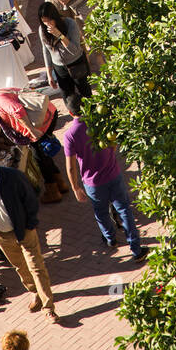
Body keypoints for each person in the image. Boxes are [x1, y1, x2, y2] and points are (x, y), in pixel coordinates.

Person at [0, 155, 60, 321]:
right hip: (1, 236)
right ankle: (34, 292)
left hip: (24, 230)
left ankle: (48, 308)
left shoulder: (12, 177)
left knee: (36, 268)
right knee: (20, 267)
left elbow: (31, 200)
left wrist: (30, 224)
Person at [63, 94, 147, 261]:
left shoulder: (69, 135)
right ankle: (136, 249)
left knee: (101, 213)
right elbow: (113, 142)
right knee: (124, 210)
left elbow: (71, 165)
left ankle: (110, 239)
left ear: (70, 113)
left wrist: (75, 187)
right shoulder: (100, 122)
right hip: (113, 174)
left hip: (92, 183)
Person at [0, 83, 68, 203]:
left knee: (40, 156)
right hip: (44, 114)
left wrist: (31, 129)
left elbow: (17, 110)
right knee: (42, 154)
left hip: (43, 119)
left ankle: (53, 191)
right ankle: (60, 184)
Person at [38, 1, 92, 101]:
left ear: (55, 17)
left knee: (86, 93)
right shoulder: (42, 30)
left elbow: (74, 50)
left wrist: (60, 36)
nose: (47, 24)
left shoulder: (70, 23)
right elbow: (46, 51)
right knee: (68, 98)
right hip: (59, 67)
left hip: (76, 63)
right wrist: (49, 75)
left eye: (50, 20)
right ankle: (76, 115)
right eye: (44, 21)